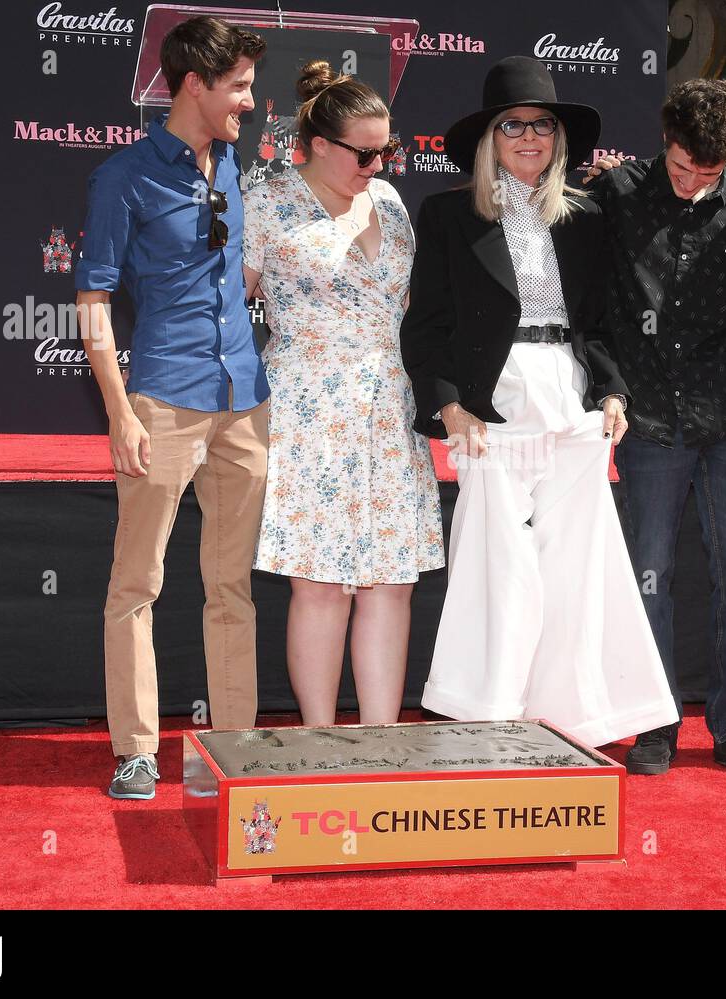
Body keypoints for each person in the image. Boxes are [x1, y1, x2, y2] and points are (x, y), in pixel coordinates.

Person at [399, 56, 678, 748]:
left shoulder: (584, 217)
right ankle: (485, 710)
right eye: (514, 125)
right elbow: (425, 323)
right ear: (491, 137)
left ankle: (569, 717)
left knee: (576, 562)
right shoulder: (446, 215)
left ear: (558, 139)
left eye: (543, 126)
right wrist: (449, 406)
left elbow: (603, 321)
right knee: (497, 560)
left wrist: (613, 389)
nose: (530, 138)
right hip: (491, 406)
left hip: (568, 396)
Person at [75, 16, 269, 800]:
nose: (251, 103)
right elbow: (92, 298)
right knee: (137, 584)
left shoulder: (230, 164)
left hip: (244, 404)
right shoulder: (124, 175)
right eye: (241, 87)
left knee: (232, 586)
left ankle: (234, 745)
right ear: (195, 84)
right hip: (162, 400)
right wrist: (120, 410)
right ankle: (137, 749)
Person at [584, 79, 726, 778]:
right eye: (680, 167)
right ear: (662, 140)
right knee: (650, 578)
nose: (694, 183)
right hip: (647, 419)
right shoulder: (616, 196)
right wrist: (608, 387)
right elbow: (592, 310)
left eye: (710, 171)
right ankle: (654, 720)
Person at [243, 61, 444, 725]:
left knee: (390, 581)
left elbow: (411, 304)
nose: (378, 161)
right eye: (365, 151)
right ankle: (320, 741)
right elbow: (223, 305)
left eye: (387, 149)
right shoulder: (267, 199)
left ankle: (382, 742)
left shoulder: (387, 200)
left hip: (388, 403)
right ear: (320, 144)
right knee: (322, 583)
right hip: (308, 406)